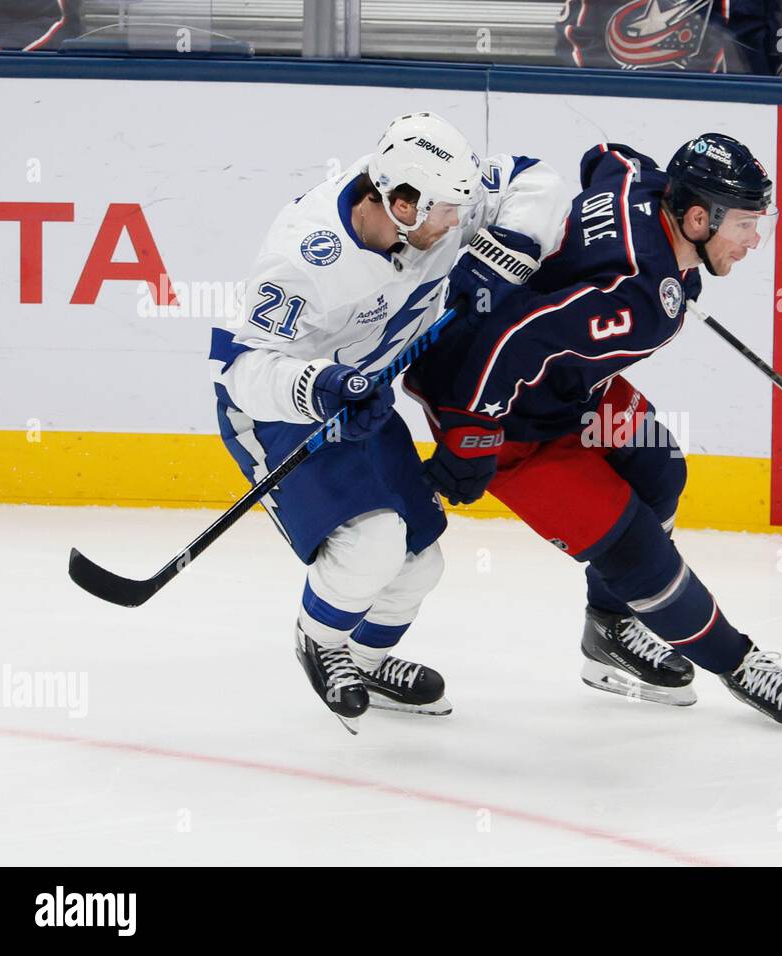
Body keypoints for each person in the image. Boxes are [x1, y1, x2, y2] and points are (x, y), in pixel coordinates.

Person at [404, 133, 782, 726]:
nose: (755, 239)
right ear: (700, 218)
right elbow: (516, 343)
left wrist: (669, 262)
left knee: (659, 467)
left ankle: (611, 630)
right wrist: (471, 434)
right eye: (746, 224)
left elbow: (607, 154)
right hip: (500, 410)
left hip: (567, 389)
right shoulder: (638, 301)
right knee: (634, 546)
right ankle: (741, 665)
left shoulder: (641, 183)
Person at [208, 112, 568, 733]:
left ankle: (368, 658)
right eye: (446, 213)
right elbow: (245, 370)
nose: (460, 222)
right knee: (371, 545)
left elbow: (539, 180)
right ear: (400, 204)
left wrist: (513, 245)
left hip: (361, 393)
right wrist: (318, 385)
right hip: (283, 409)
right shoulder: (307, 256)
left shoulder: (432, 194)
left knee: (420, 562)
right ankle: (320, 640)